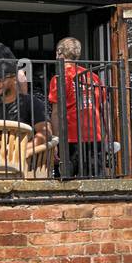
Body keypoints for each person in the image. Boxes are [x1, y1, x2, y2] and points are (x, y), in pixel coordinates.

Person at [47, 36, 113, 177]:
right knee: (95, 181)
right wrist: (108, 133)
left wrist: (56, 140)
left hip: (70, 138)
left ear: (59, 52)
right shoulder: (93, 77)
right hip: (95, 137)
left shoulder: (59, 78)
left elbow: (56, 112)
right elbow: (105, 107)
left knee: (68, 183)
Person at [0, 60, 51, 144]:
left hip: (25, 155)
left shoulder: (31, 103)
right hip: (0, 155)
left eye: (0, 79)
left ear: (15, 79)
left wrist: (24, 150)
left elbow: (45, 132)